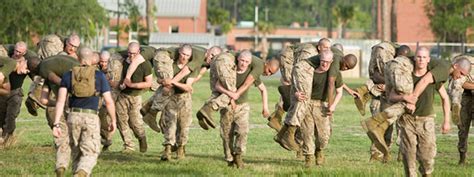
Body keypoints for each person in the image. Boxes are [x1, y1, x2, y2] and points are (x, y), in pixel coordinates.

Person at [52, 47, 116, 176]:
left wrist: (56, 123)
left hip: (72, 116)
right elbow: (108, 101)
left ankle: (64, 168)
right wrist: (113, 120)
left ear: (77, 58)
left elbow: (60, 101)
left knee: (76, 150)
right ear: (92, 59)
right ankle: (82, 172)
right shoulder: (99, 76)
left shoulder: (68, 75)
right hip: (91, 117)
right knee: (91, 151)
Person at [389, 47, 452, 176]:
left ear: (428, 60)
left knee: (427, 157)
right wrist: (404, 97)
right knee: (408, 156)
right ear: (414, 58)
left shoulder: (433, 78)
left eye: (424, 57)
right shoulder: (407, 77)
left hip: (426, 120)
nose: (421, 60)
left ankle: (426, 173)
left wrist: (446, 121)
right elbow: (391, 96)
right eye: (419, 57)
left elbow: (445, 98)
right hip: (407, 120)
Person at [214, 50, 270, 169]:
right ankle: (229, 158)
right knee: (226, 135)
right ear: (238, 60)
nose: (244, 64)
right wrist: (230, 95)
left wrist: (265, 108)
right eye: (242, 61)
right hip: (227, 107)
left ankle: (238, 156)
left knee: (242, 131)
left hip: (243, 107)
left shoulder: (251, 74)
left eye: (247, 62)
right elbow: (217, 86)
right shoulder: (230, 70)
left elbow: (263, 90)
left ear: (250, 63)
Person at [196, 50, 278, 130]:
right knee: (232, 91)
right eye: (269, 70)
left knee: (218, 93)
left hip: (216, 60)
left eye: (271, 74)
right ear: (266, 63)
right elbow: (247, 83)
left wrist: (265, 108)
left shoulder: (253, 68)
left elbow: (263, 89)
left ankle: (204, 113)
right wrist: (236, 95)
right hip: (225, 60)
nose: (268, 74)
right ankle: (208, 109)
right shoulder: (260, 66)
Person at [296, 50, 344, 167]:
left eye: (327, 62)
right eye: (323, 61)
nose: (324, 64)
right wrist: (296, 94)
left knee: (323, 136)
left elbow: (340, 91)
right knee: (307, 133)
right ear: (319, 60)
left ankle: (319, 151)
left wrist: (333, 105)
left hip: (322, 106)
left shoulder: (334, 73)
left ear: (331, 62)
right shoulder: (309, 71)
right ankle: (309, 157)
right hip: (307, 104)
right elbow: (296, 86)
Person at [160, 44, 199, 161]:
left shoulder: (191, 68)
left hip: (184, 98)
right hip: (170, 97)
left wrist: (173, 82)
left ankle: (181, 148)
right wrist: (163, 81)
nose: (184, 57)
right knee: (170, 124)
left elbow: (188, 88)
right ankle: (167, 149)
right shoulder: (171, 65)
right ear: (179, 53)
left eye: (187, 55)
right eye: (183, 54)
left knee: (184, 125)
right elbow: (160, 79)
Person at [116, 42, 152, 153]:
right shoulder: (122, 62)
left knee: (135, 122)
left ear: (139, 52)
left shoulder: (145, 64)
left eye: (134, 54)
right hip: (122, 96)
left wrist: (132, 85)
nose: (131, 56)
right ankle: (128, 145)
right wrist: (120, 84)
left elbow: (148, 83)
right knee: (121, 121)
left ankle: (141, 137)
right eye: (129, 53)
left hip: (135, 97)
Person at [0, 42, 36, 143]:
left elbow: (34, 78)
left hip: (15, 92)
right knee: (1, 115)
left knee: (11, 116)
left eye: (20, 52)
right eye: (16, 50)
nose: (17, 53)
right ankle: (2, 137)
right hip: (2, 92)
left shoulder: (26, 63)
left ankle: (8, 138)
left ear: (25, 52)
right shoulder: (6, 60)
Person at [97, 50, 121, 151]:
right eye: (101, 61)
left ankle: (108, 140)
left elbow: (116, 84)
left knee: (108, 119)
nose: (103, 64)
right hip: (100, 96)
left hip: (111, 97)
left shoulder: (114, 70)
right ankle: (105, 139)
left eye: (105, 62)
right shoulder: (97, 69)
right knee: (99, 118)